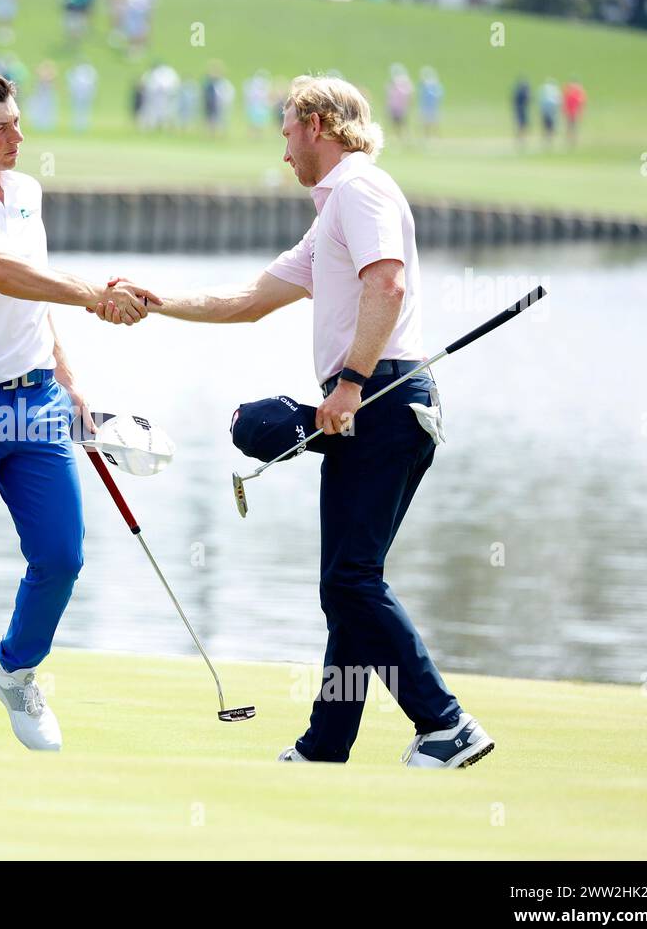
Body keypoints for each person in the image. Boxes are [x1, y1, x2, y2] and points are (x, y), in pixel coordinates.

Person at [93, 75, 495, 769]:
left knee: (351, 580)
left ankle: (447, 723)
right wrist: (155, 302)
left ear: (317, 124)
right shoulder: (333, 210)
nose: (283, 152)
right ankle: (327, 743)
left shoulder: (361, 191)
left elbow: (387, 283)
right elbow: (248, 300)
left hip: (383, 399)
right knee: (347, 581)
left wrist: (349, 383)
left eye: (285, 132)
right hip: (372, 402)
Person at [0, 70, 157, 750]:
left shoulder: (26, 192)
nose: (19, 136)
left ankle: (13, 669)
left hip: (38, 400)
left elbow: (32, 301)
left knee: (62, 555)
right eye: (1, 128)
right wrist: (92, 294)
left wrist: (69, 378)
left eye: (17, 121)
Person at [562, 77, 586, 148]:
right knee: (571, 127)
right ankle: (571, 141)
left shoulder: (572, 90)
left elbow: (581, 102)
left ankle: (571, 141)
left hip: (573, 112)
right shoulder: (575, 91)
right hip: (571, 112)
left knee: (572, 127)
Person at [512, 76, 530, 148]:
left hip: (519, 110)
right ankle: (521, 140)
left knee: (521, 125)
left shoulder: (517, 91)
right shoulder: (522, 92)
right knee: (522, 125)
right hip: (521, 110)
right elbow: (527, 99)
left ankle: (520, 140)